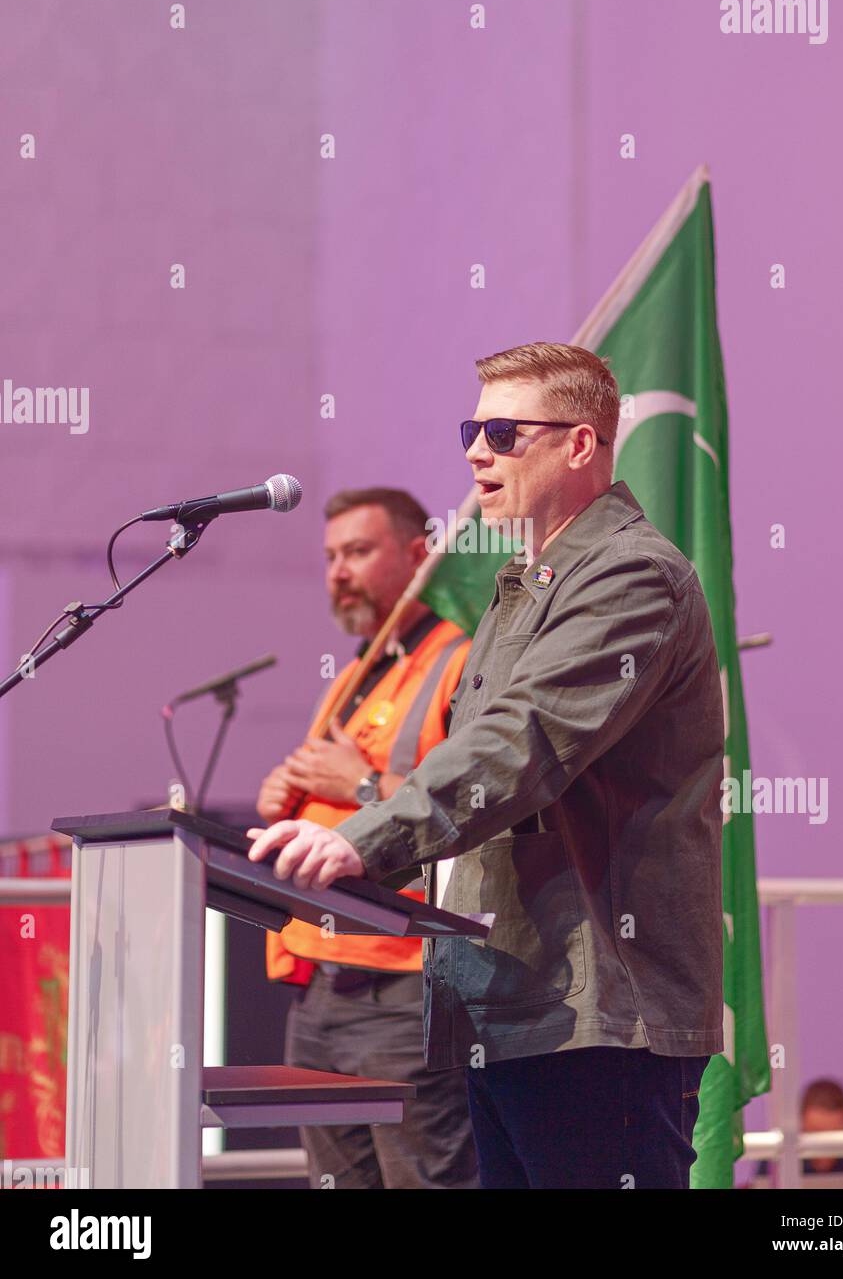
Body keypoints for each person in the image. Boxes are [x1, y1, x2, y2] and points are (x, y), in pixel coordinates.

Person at [249, 342, 725, 1189]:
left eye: (503, 432)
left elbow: (523, 740)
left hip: (596, 1015)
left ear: (579, 444)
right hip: (508, 1001)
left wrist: (365, 834)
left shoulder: (631, 576)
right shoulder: (525, 586)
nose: (475, 453)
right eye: (473, 429)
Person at [256, 487, 478, 1189]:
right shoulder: (354, 674)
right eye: (328, 557)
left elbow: (477, 811)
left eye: (357, 551)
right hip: (321, 982)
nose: (337, 572)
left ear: (419, 557)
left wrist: (357, 785)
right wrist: (287, 800)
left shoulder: (458, 663)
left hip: (404, 982)